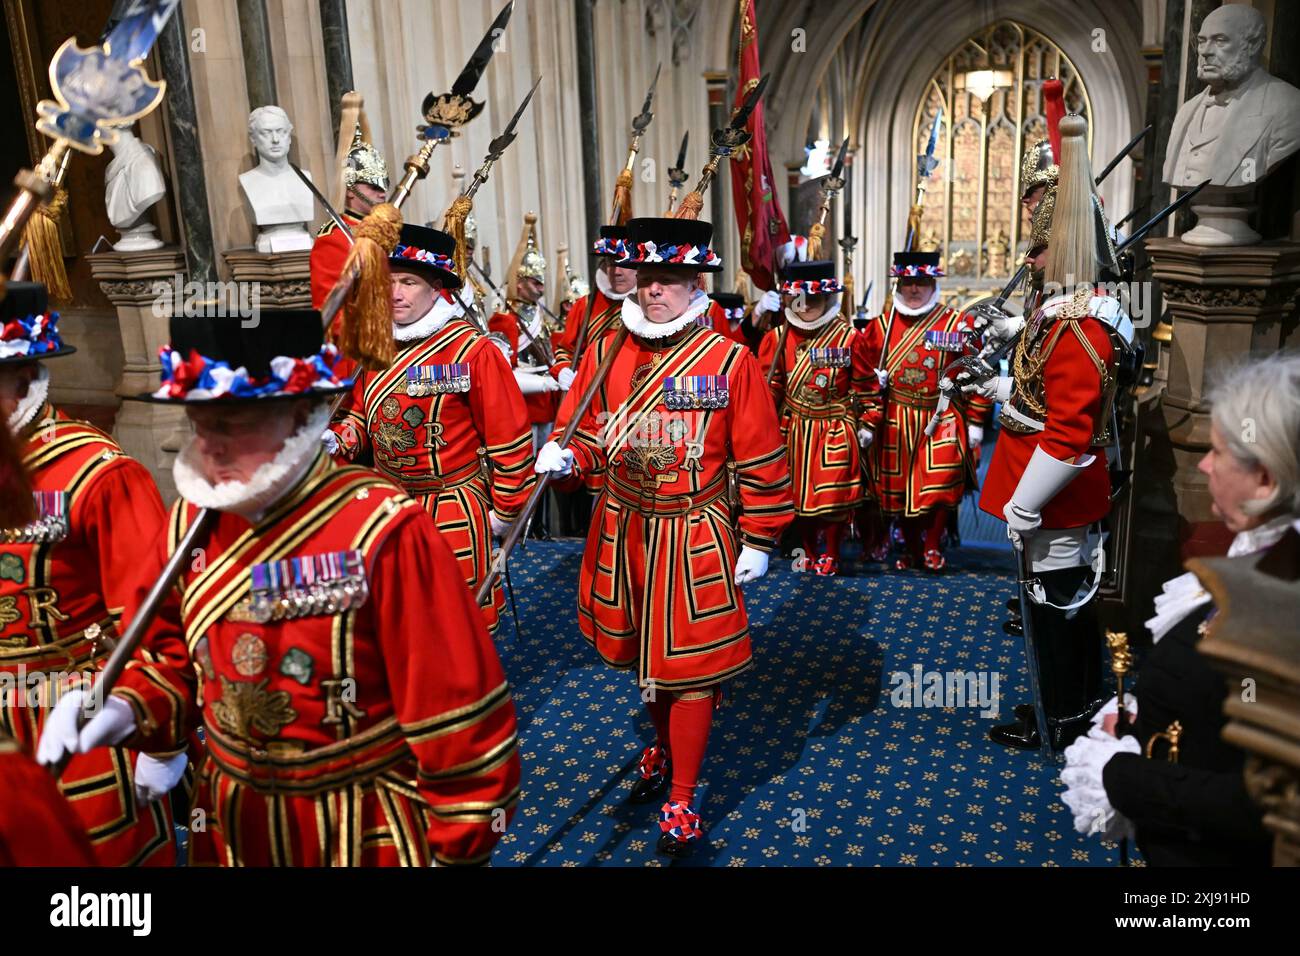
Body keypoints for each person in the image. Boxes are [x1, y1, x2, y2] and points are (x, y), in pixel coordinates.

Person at [38, 308, 521, 866]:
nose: (209, 446)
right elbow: (169, 657)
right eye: (199, 421)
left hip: (358, 824)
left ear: (301, 414)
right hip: (232, 819)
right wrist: (123, 705)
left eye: (233, 424)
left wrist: (456, 849)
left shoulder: (387, 530)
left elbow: (457, 712)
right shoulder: (190, 522)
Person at [534, 216, 794, 859]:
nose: (655, 292)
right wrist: (569, 460)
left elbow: (760, 453)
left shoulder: (730, 361)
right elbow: (587, 433)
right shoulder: (603, 352)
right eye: (647, 279)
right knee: (645, 660)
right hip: (621, 527)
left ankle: (682, 793)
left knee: (691, 670)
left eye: (670, 280)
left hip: (692, 530)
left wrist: (759, 537)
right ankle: (662, 744)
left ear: (695, 283)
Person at [1062, 352, 1300, 865]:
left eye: (1217, 452)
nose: (1206, 464)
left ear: (1265, 480)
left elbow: (1257, 801)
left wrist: (1120, 775)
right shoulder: (1263, 561)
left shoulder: (1276, 611)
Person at [0, 281, 179, 866]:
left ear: (23, 378)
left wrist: (159, 735)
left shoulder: (98, 473)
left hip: (73, 714)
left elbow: (155, 621)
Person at [976, 113, 1128, 752]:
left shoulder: (1079, 324)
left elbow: (1070, 434)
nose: (1029, 258)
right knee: (1049, 608)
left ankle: (1065, 719)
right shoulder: (1058, 315)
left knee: (1058, 613)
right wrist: (1005, 391)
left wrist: (1023, 504)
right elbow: (1042, 399)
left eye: (1038, 248)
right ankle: (1068, 708)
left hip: (1054, 497)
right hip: (1043, 488)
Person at [326, 224, 534, 634]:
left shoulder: (472, 351)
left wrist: (504, 512)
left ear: (436, 286)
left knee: (457, 627)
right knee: (401, 622)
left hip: (453, 508)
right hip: (390, 505)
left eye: (407, 282)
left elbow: (509, 437)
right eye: (386, 281)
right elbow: (362, 418)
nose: (395, 293)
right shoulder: (374, 345)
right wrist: (338, 437)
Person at [859, 251, 990, 570]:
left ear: (933, 284)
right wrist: (875, 382)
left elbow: (978, 372)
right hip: (895, 416)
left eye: (921, 282)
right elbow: (859, 372)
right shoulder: (880, 327)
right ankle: (913, 549)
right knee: (899, 487)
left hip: (941, 414)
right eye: (907, 283)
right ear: (898, 285)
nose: (914, 289)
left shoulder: (958, 323)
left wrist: (975, 421)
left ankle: (932, 545)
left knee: (940, 484)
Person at [759, 260, 875, 575]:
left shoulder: (849, 338)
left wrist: (868, 425)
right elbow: (771, 388)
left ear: (828, 298)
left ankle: (833, 552)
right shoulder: (778, 336)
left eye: (815, 298)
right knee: (800, 500)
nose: (807, 305)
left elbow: (867, 387)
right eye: (801, 298)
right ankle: (808, 552)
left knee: (832, 496)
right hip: (793, 428)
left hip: (835, 427)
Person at [488, 213, 562, 539]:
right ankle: (522, 526)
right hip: (523, 403)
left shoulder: (539, 317)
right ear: (519, 283)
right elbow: (504, 370)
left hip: (546, 402)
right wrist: (544, 382)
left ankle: (540, 525)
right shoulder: (505, 320)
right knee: (524, 468)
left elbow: (551, 351)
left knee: (545, 467)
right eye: (535, 282)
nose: (541, 288)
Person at [309, 123, 390, 380]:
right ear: (351, 191)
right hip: (361, 353)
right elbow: (331, 311)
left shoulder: (389, 231)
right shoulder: (334, 238)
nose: (382, 193)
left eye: (383, 185)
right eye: (373, 187)